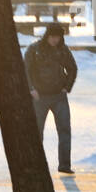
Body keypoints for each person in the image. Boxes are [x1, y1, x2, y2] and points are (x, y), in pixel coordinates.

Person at [24, 21, 77, 174]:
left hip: (59, 97)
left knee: (65, 130)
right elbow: (25, 71)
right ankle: (36, 164)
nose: (55, 40)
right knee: (37, 132)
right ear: (47, 36)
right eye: (53, 36)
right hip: (39, 97)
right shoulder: (34, 50)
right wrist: (31, 89)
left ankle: (64, 165)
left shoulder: (63, 50)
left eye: (58, 37)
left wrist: (67, 87)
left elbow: (72, 68)